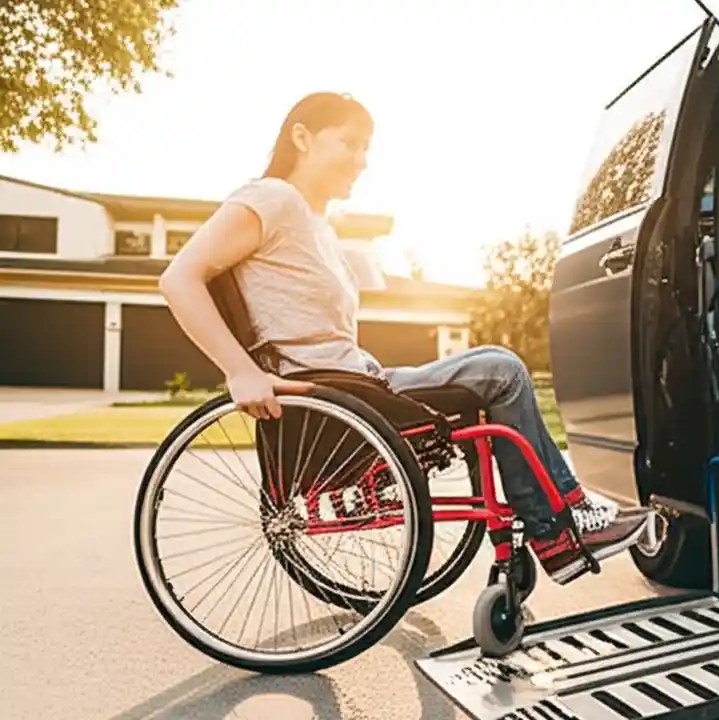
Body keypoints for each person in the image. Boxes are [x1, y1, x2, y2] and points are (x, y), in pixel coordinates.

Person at [159, 91, 650, 584]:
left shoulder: (317, 225)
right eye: (349, 143)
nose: (362, 160)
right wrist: (240, 370)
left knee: (494, 375)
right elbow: (179, 278)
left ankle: (555, 525)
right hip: (339, 391)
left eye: (366, 148)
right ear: (302, 137)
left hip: (359, 381)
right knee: (502, 371)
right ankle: (563, 526)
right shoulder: (272, 198)